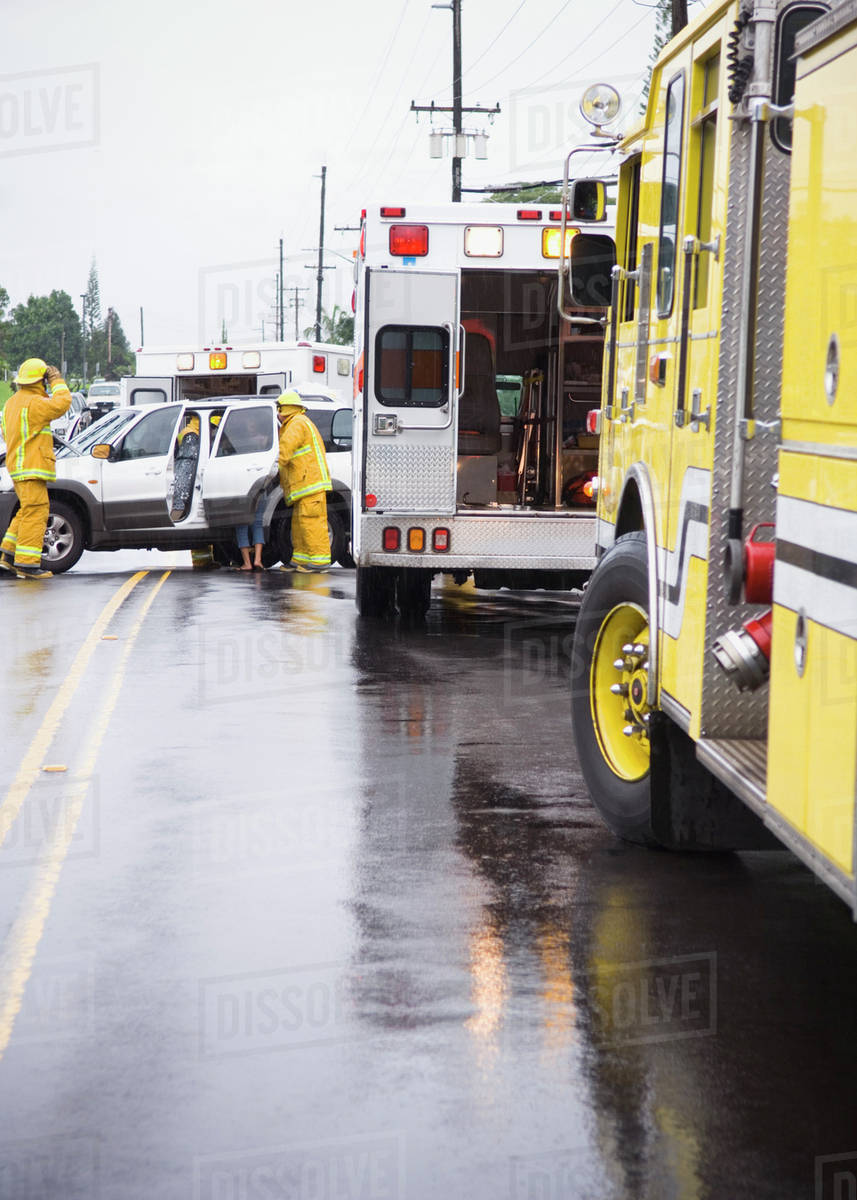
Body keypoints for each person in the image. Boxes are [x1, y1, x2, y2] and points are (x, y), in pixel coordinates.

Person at [0, 358, 72, 580]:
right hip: (31, 466)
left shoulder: (11, 403)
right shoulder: (35, 403)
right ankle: (28, 564)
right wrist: (57, 381)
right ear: (41, 380)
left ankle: (9, 556)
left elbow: (6, 434)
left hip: (18, 466)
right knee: (37, 511)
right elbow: (63, 403)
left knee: (26, 511)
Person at [275, 390, 332, 572]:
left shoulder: (297, 424)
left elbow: (286, 449)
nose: (278, 414)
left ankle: (319, 562)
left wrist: (274, 466)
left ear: (285, 409)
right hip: (305, 485)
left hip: (310, 485)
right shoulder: (298, 422)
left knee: (312, 523)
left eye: (279, 409)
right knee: (300, 525)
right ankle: (299, 559)